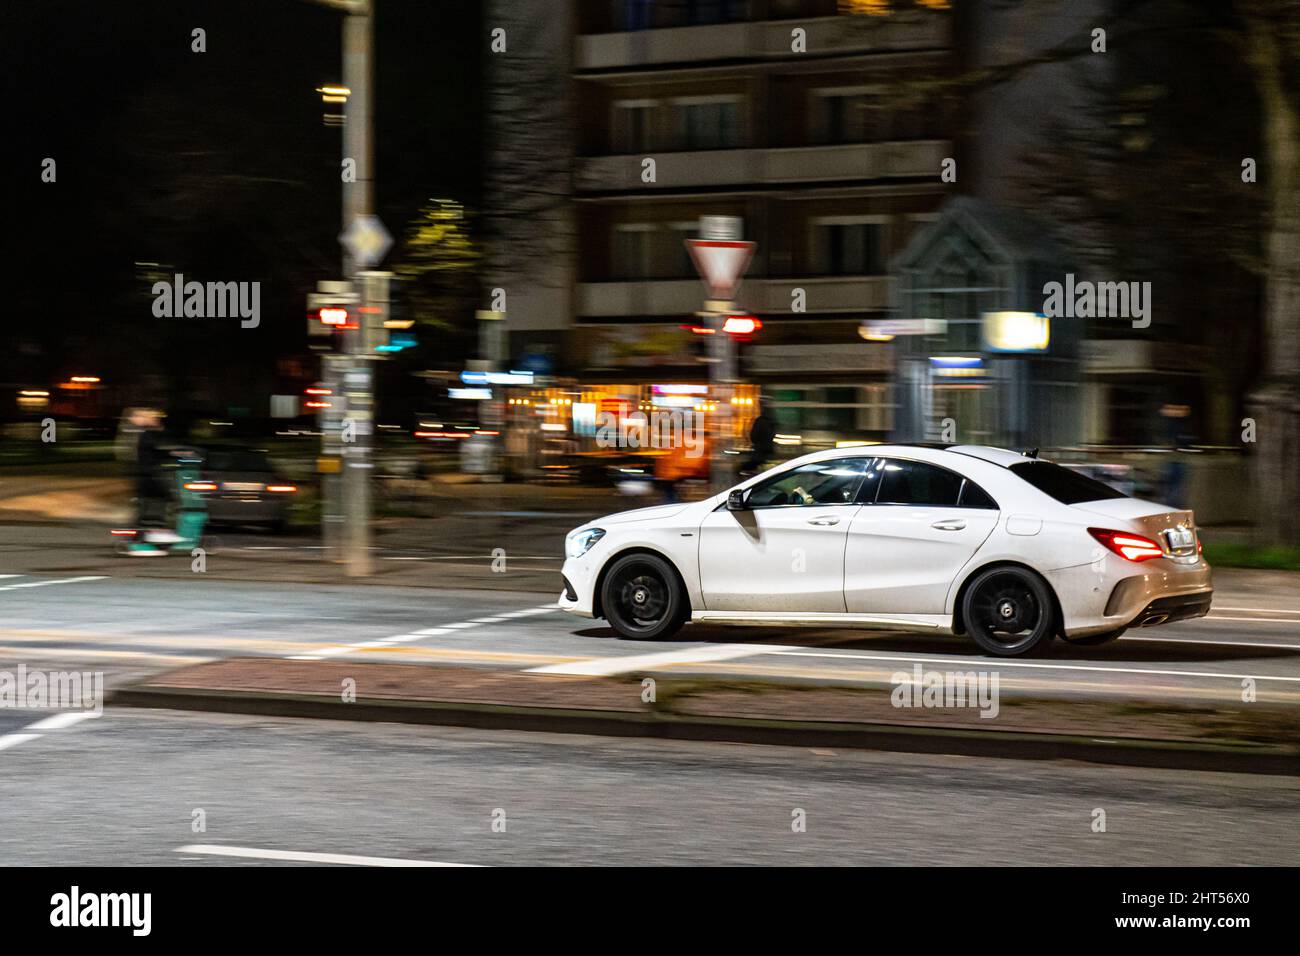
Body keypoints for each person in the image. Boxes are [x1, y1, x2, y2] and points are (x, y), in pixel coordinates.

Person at [744, 398, 776, 477]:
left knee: (744, 468)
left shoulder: (760, 421)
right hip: (768, 452)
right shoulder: (771, 421)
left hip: (759, 453)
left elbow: (753, 437)